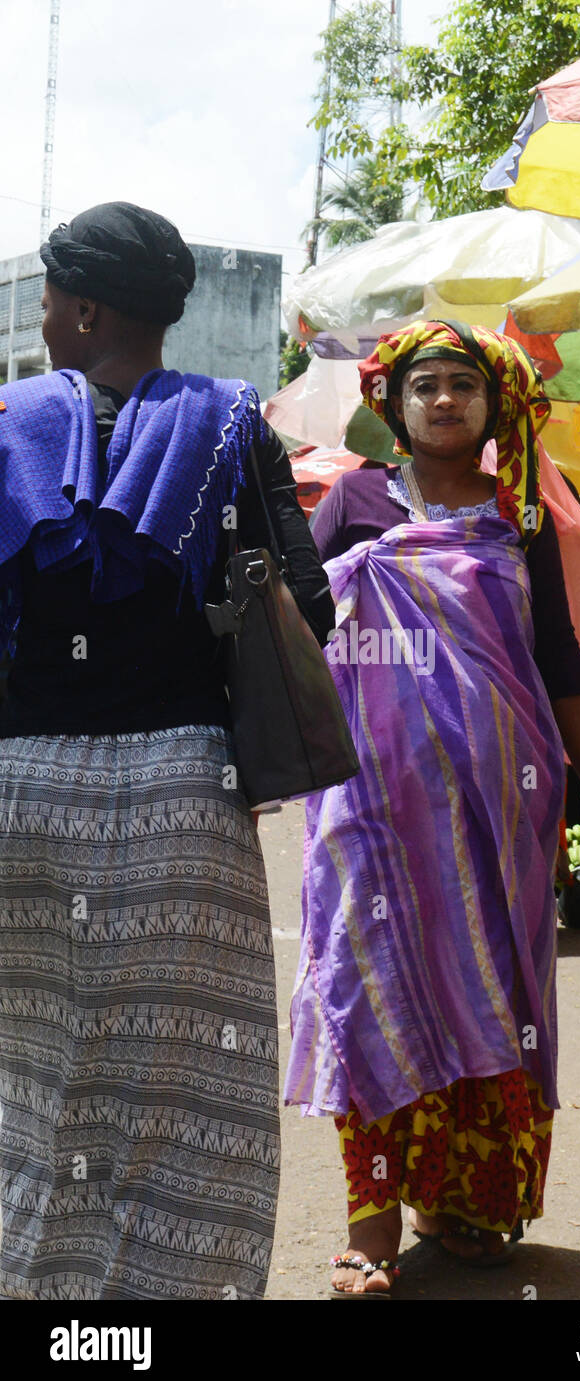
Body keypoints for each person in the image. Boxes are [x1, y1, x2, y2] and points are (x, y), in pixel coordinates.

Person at [0, 202, 334, 1300]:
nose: (45, 319)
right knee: (184, 1096)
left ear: (86, 307)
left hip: (23, 795)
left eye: (49, 300)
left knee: (31, 1082)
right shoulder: (236, 426)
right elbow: (312, 610)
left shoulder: (6, 423)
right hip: (183, 803)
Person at [283, 319, 580, 1297]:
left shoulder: (516, 523)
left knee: (484, 991)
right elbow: (297, 633)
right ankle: (370, 1230)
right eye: (423, 384)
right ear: (391, 403)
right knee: (369, 987)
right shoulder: (349, 499)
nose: (442, 399)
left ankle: (465, 1198)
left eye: (462, 386)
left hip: (494, 806)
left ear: (493, 407)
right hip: (366, 808)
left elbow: (555, 658)